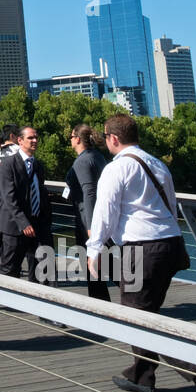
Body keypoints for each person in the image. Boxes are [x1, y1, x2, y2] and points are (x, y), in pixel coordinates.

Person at [87, 114, 196, 392]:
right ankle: (142, 376)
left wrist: (94, 250)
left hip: (140, 250)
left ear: (113, 138)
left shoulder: (116, 168)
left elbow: (104, 212)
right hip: (169, 245)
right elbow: (171, 205)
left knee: (136, 319)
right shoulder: (158, 164)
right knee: (147, 313)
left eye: (106, 138)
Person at [0, 127, 50, 284]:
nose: (35, 141)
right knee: (10, 268)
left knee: (39, 268)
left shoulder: (38, 165)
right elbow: (8, 196)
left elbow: (39, 191)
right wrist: (23, 222)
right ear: (20, 141)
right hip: (14, 225)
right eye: (30, 138)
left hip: (36, 224)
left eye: (36, 137)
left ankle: (35, 301)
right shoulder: (8, 163)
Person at [67, 123, 111, 301]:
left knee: (95, 267)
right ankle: (105, 305)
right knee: (104, 265)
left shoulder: (82, 161)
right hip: (100, 218)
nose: (70, 140)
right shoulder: (97, 156)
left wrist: (91, 227)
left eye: (71, 137)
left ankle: (102, 306)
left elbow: (89, 192)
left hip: (87, 221)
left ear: (77, 139)